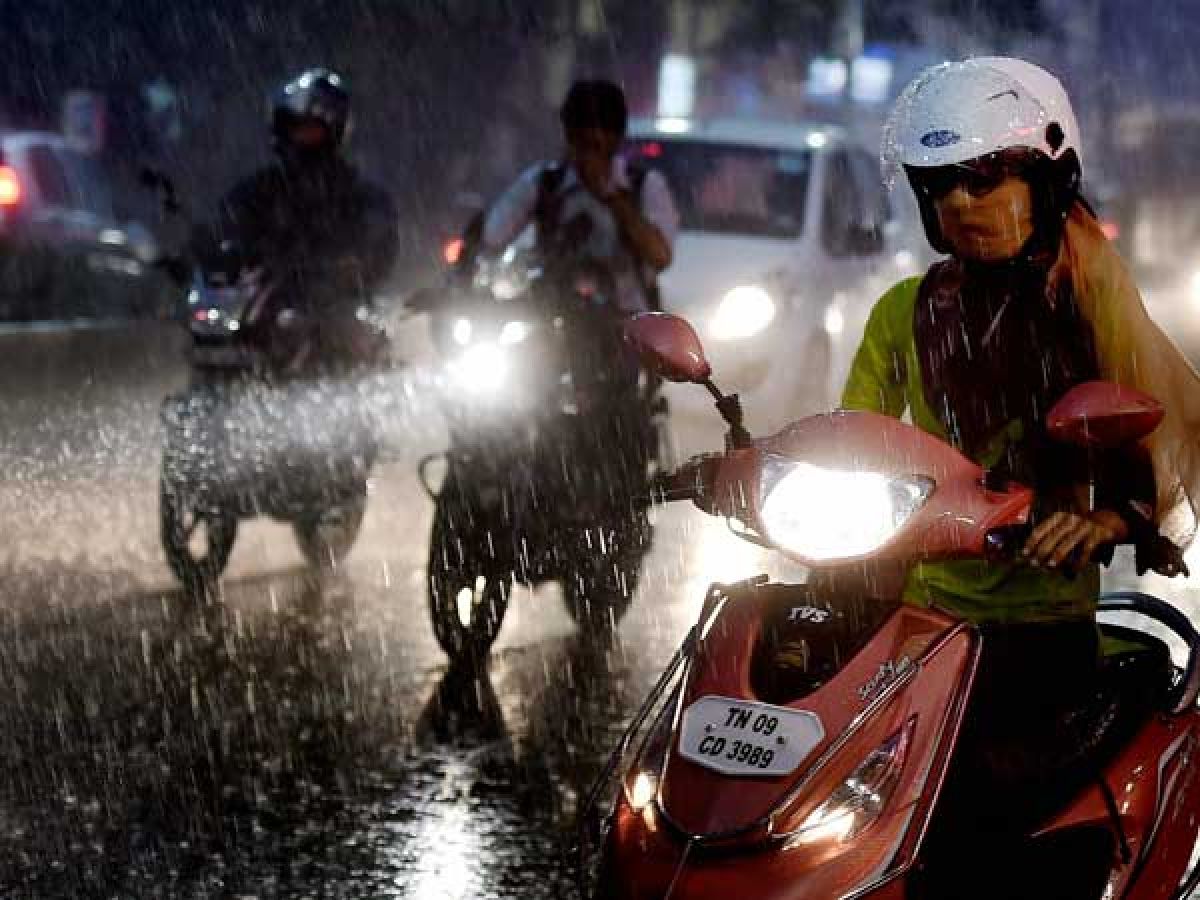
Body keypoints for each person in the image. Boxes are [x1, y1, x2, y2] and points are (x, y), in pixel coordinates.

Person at [835, 57, 1200, 896]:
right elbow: (853, 437)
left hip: (1041, 636)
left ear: (1046, 180)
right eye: (942, 187)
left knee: (1022, 852)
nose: (964, 203)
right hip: (918, 627)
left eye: (987, 178)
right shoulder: (904, 312)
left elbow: (1155, 423)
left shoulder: (1088, 296)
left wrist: (1111, 519)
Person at [213, 68, 398, 369]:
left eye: (310, 130)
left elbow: (378, 252)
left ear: (335, 130)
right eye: (293, 129)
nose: (300, 138)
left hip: (336, 305)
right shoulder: (256, 190)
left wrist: (334, 267)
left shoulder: (361, 195)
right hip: (264, 302)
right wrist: (220, 255)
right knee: (215, 332)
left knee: (352, 332)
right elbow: (226, 234)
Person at [482, 78, 678, 313]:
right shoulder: (545, 182)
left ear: (615, 141)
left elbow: (660, 256)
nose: (586, 155)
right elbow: (493, 235)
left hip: (625, 322)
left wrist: (612, 196)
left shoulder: (644, 186)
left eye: (596, 145)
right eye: (579, 143)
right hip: (553, 319)